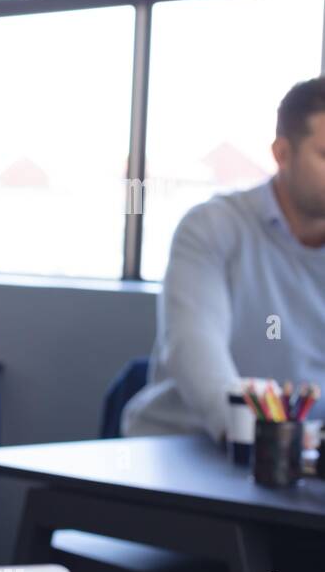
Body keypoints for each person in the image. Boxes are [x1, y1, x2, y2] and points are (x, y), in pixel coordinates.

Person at [123, 76, 325, 441]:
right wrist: (279, 443)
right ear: (283, 154)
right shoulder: (214, 227)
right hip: (188, 446)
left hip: (304, 463)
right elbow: (196, 356)